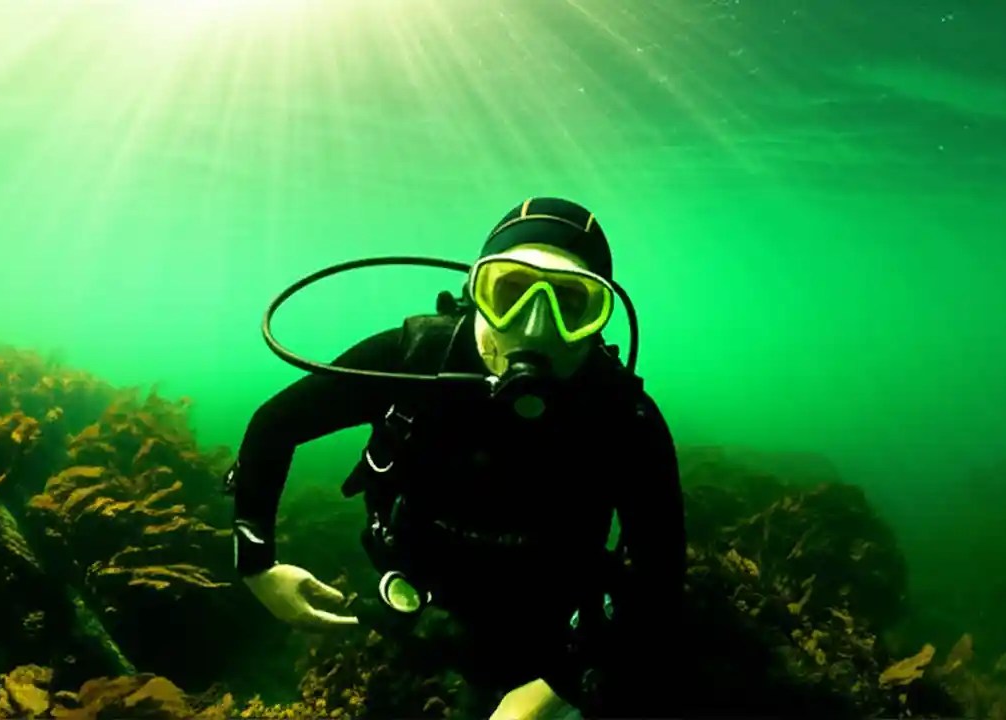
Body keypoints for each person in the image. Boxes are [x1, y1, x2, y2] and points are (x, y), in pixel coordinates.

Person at [228, 197, 686, 718]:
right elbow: (275, 424)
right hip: (417, 579)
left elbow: (659, 579)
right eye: (509, 292)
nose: (535, 327)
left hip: (545, 609)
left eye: (570, 303)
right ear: (475, 291)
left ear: (597, 320)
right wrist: (257, 565)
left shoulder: (623, 417)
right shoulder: (414, 359)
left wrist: (556, 688)